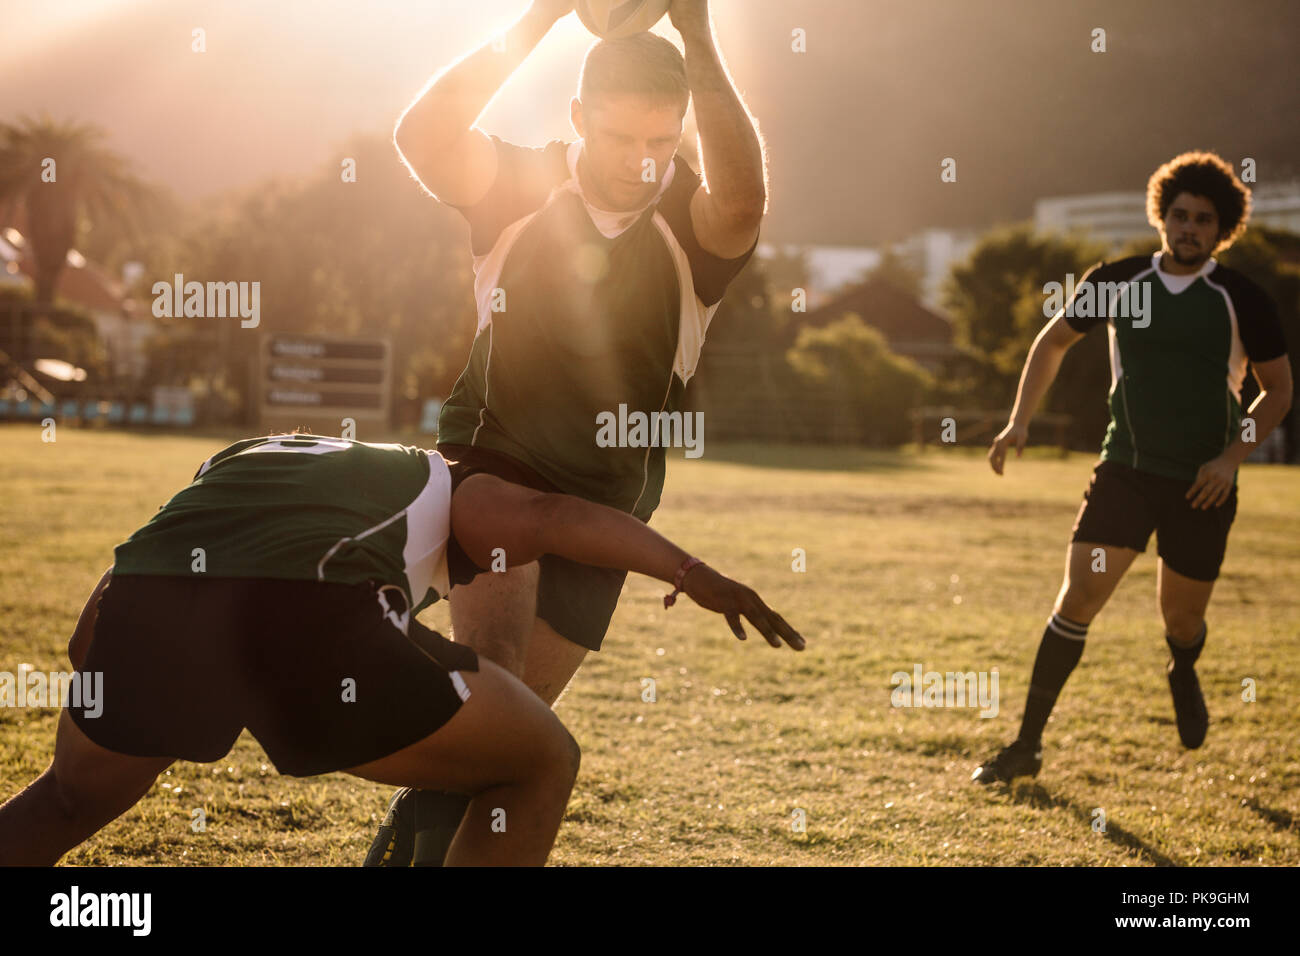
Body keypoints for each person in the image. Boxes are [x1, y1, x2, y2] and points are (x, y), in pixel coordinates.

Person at [0, 434, 804, 865]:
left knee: (66, 802)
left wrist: (132, 677)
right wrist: (691, 570)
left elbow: (120, 585)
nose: (489, 575)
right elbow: (556, 516)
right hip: (311, 612)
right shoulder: (449, 484)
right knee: (537, 758)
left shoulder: (246, 455)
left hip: (148, 602)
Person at [373, 0, 768, 863]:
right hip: (494, 465)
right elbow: (420, 137)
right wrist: (547, 11)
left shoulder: (692, 228)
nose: (643, 160)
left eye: (663, 140)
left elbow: (744, 200)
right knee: (497, 691)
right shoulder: (516, 184)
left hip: (607, 502)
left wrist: (698, 31)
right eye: (622, 136)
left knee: (503, 742)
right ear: (579, 117)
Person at [973, 151, 1292, 784]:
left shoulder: (1240, 298)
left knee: (1182, 619)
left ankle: (1182, 665)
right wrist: (1018, 420)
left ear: (1222, 229)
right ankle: (1025, 747)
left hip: (1202, 485)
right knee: (1081, 596)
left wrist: (1231, 460)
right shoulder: (1119, 282)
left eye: (1204, 220)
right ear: (1162, 218)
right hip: (1126, 472)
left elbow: (1278, 391)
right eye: (1179, 216)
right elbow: (1053, 339)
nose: (1189, 229)